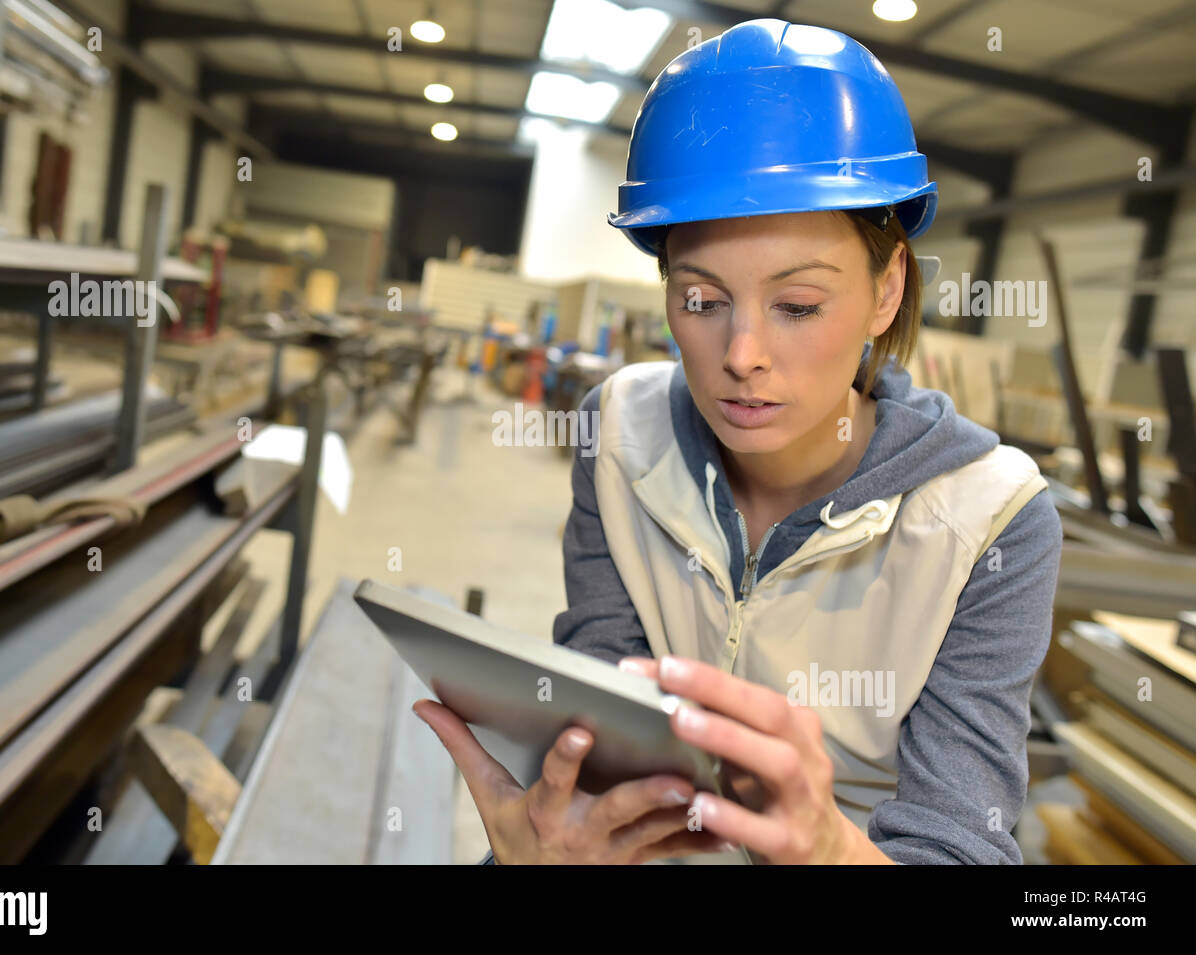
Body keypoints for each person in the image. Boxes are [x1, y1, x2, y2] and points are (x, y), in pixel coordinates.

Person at [415, 18, 1063, 865]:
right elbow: (602, 728)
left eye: (797, 306)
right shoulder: (618, 435)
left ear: (886, 288)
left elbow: (960, 844)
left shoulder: (992, 519)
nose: (742, 354)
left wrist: (826, 848)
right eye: (702, 298)